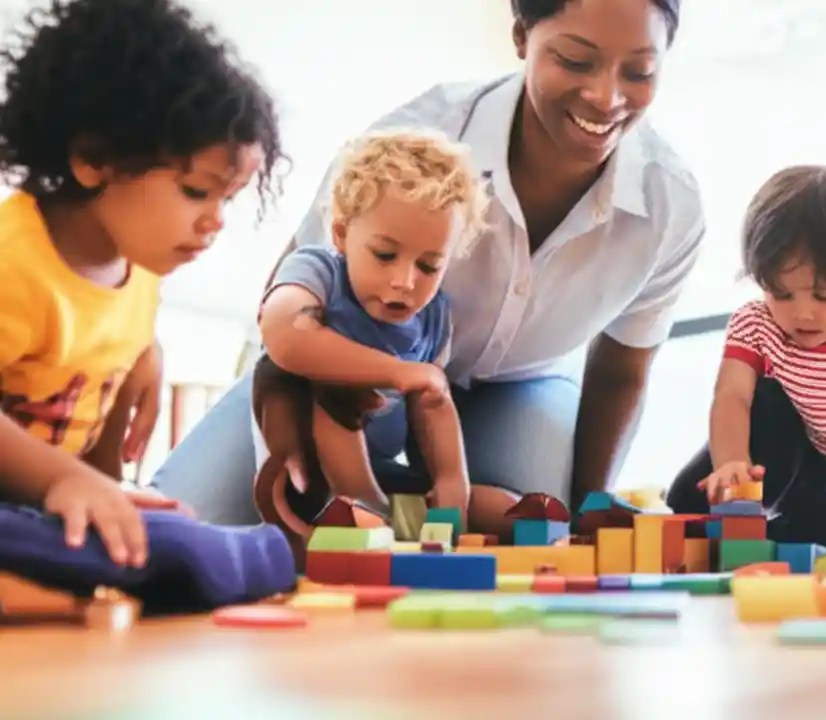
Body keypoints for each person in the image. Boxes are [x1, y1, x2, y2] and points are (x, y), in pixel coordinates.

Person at [153, 0, 704, 536]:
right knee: (191, 523)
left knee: (520, 529)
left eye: (639, 71)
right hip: (346, 379)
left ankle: (394, 513)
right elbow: (292, 304)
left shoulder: (668, 204)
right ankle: (377, 507)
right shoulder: (417, 142)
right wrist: (280, 414)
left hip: (522, 385)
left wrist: (590, 510)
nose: (607, 97)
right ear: (521, 37)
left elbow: (619, 372)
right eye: (575, 61)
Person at [0, 0, 283, 565]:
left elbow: (97, 439)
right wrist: (66, 483)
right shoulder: (15, 263)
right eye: (196, 192)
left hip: (31, 513)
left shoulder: (138, 277)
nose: (215, 221)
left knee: (219, 545)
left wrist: (115, 495)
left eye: (227, 199)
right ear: (94, 160)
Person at [665, 166, 826, 554]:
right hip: (776, 464)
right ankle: (723, 531)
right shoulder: (755, 322)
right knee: (687, 499)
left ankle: (764, 544)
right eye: (781, 293)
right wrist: (731, 464)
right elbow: (732, 397)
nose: (801, 314)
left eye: (824, 296)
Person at [252, 130, 484, 527]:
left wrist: (451, 480)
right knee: (339, 386)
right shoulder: (320, 272)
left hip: (380, 470)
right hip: (304, 472)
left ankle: (387, 514)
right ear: (342, 235)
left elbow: (432, 402)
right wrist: (399, 371)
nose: (405, 281)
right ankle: (364, 508)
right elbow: (284, 334)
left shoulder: (433, 317)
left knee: (489, 506)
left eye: (429, 266)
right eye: (385, 255)